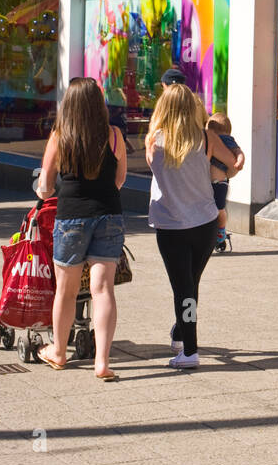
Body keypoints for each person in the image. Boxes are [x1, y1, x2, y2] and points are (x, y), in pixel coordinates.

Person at [36, 77, 128, 380]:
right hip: (109, 215)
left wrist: (42, 191)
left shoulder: (60, 136)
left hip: (71, 217)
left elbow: (46, 185)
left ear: (69, 105)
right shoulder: (114, 136)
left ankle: (59, 352)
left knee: (67, 289)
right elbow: (120, 180)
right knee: (103, 289)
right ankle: (102, 362)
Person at [146, 83, 237, 368]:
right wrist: (214, 171)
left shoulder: (154, 141)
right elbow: (233, 164)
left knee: (183, 286)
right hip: (205, 223)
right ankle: (181, 333)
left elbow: (157, 169)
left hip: (171, 224)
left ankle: (189, 349)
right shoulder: (206, 138)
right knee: (190, 282)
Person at [206, 113, 245, 251]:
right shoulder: (210, 139)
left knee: (219, 208)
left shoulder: (225, 139)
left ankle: (221, 231)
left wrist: (240, 160)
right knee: (213, 209)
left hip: (219, 182)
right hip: (211, 182)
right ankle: (213, 233)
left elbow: (238, 151)